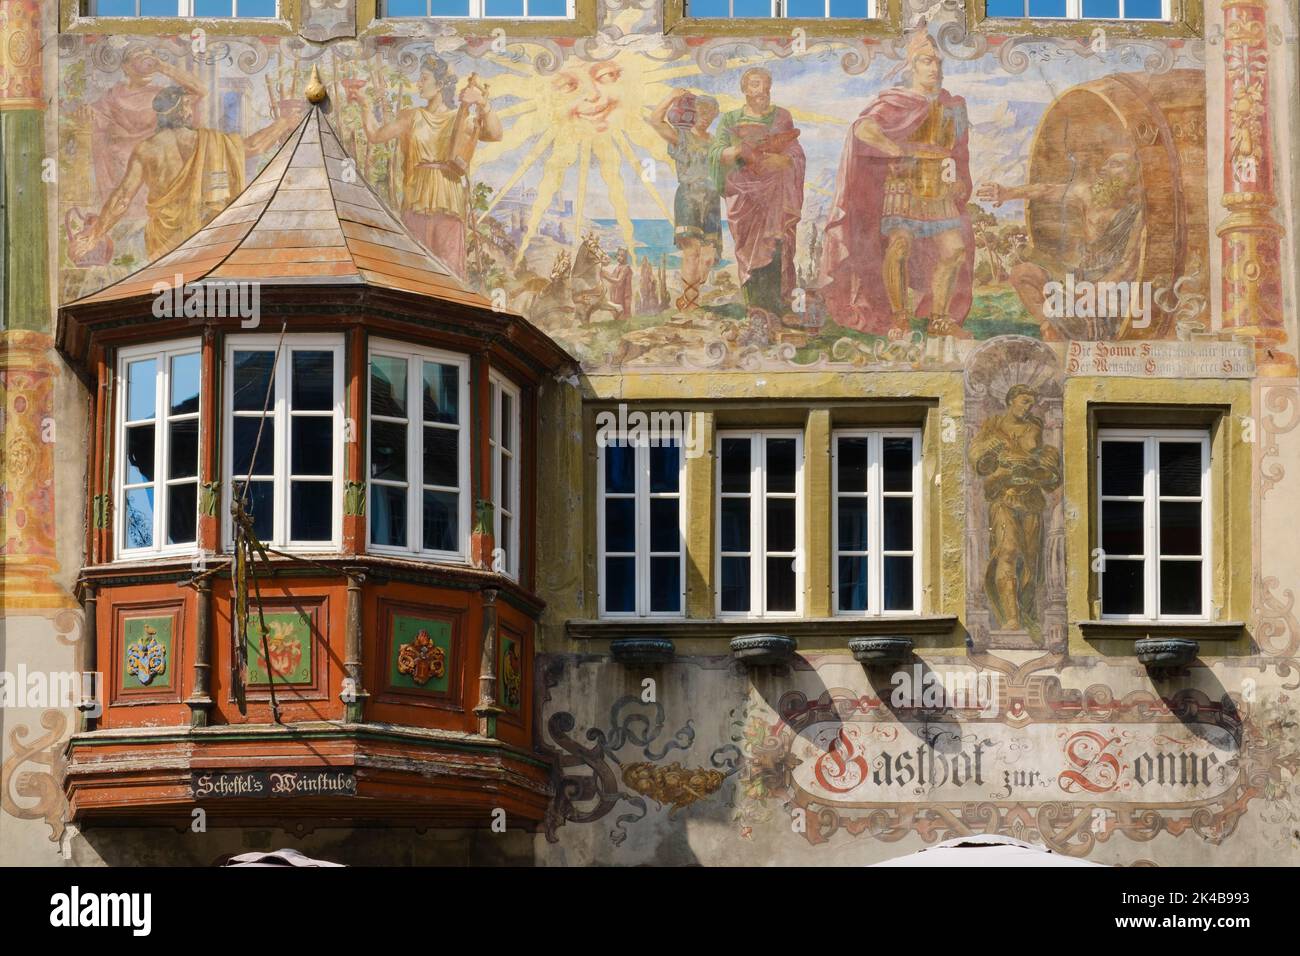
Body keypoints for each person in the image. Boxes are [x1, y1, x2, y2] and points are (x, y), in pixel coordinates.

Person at [820, 28, 974, 339]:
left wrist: (959, 180)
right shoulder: (897, 101)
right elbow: (863, 129)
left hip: (939, 189)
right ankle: (899, 317)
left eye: (938, 63)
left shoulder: (953, 106)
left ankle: (940, 320)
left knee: (955, 250)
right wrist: (899, 151)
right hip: (902, 186)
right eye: (927, 62)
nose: (935, 69)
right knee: (899, 246)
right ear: (913, 67)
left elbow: (959, 153)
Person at [69, 86, 299, 263]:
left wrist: (95, 233)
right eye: (187, 105)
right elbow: (253, 147)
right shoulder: (210, 141)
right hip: (206, 236)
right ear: (178, 110)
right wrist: (284, 122)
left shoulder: (147, 149)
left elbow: (122, 198)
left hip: (165, 241)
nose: (191, 110)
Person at [349, 55, 502, 278]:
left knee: (449, 271)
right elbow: (375, 135)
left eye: (423, 78)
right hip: (416, 199)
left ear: (440, 85)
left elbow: (495, 134)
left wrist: (482, 102)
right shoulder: (411, 117)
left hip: (448, 200)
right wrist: (365, 105)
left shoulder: (460, 119)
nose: (418, 83)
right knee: (415, 270)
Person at [977, 151, 1146, 340]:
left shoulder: (1138, 212)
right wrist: (1008, 193)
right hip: (1081, 279)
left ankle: (1066, 333)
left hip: (1112, 289)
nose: (1103, 169)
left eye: (1115, 164)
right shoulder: (1087, 194)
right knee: (1022, 273)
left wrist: (1093, 292)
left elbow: (1128, 266)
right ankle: (1049, 325)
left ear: (1133, 174)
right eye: (1105, 164)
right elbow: (1047, 190)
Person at [708, 68, 806, 321]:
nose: (761, 89)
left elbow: (795, 152)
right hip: (744, 194)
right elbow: (716, 153)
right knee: (749, 248)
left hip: (775, 192)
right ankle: (755, 309)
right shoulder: (730, 119)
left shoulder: (782, 116)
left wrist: (783, 160)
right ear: (744, 89)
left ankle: (775, 308)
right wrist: (740, 148)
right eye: (754, 84)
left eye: (765, 84)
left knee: (776, 242)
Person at [968, 385, 1061, 633]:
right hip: (1003, 497)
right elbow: (977, 460)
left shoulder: (1036, 428)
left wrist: (1034, 468)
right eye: (1024, 401)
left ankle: (1027, 613)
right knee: (1007, 551)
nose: (1028, 407)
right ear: (1011, 400)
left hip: (1030, 499)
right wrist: (994, 456)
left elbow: (1049, 469)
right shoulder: (993, 426)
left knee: (1030, 563)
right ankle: (1010, 618)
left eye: (1031, 403)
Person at [88, 46, 206, 211]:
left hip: (158, 156)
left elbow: (200, 90)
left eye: (150, 56)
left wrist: (162, 66)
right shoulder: (113, 96)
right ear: (126, 66)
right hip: (126, 160)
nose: (146, 61)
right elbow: (96, 119)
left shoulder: (162, 95)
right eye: (139, 56)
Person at [649, 90, 722, 312]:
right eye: (701, 111)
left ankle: (688, 297)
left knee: (709, 258)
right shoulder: (682, 137)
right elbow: (655, 120)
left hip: (711, 200)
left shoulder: (716, 142)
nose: (705, 116)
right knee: (691, 252)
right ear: (692, 112)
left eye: (710, 113)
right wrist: (671, 95)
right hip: (689, 197)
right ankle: (690, 304)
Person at [602, 248, 634, 321]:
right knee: (616, 314)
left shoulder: (626, 268)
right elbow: (612, 276)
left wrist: (605, 276)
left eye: (622, 256)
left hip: (623, 295)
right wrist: (603, 272)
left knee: (624, 314)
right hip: (616, 294)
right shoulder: (618, 267)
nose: (619, 257)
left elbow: (618, 280)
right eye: (618, 255)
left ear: (626, 257)